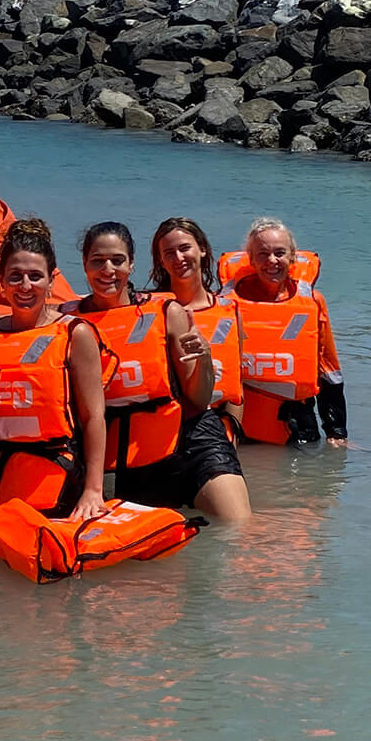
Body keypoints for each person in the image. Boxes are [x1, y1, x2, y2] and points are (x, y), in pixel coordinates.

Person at [0, 218, 109, 522]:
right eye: (15, 277)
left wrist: (94, 490)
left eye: (35, 277)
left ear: (51, 282)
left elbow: (94, 417)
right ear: (1, 282)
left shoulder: (74, 334)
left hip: (53, 480)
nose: (25, 286)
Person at [144, 218, 254, 519]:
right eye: (168, 253)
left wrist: (232, 438)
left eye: (184, 248)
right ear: (160, 261)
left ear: (202, 250)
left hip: (208, 434)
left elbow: (237, 385)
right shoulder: (145, 310)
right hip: (155, 435)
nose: (178, 258)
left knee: (235, 528)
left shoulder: (229, 310)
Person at [224, 217, 350, 447]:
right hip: (241, 432)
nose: (272, 261)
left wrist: (337, 432)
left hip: (297, 429)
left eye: (280, 253)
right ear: (251, 259)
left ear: (292, 257)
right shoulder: (224, 304)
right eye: (262, 254)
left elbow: (329, 370)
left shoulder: (313, 302)